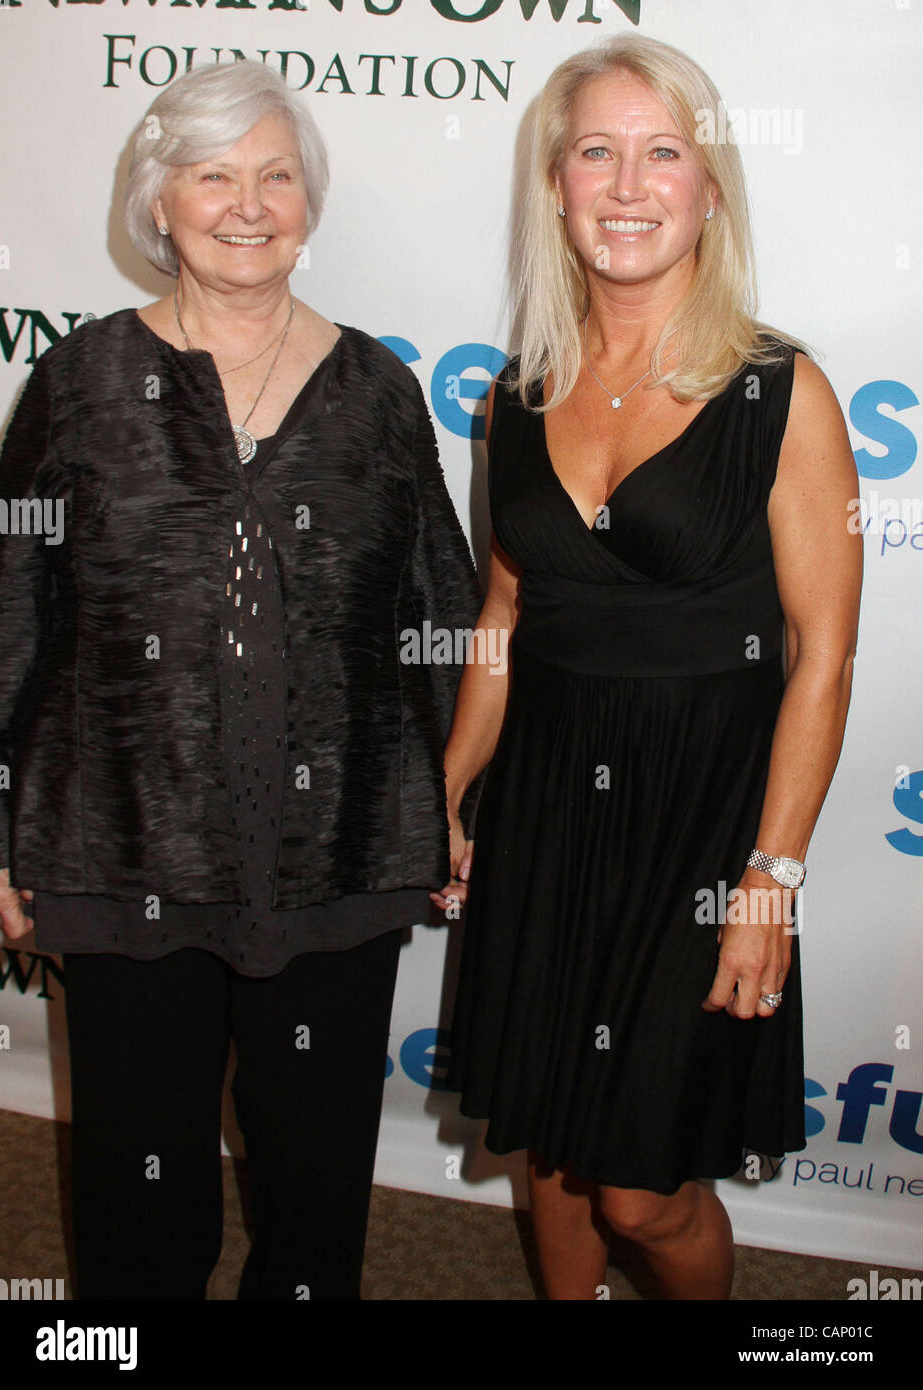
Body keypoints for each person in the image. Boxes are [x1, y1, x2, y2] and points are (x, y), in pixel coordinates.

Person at [0, 59, 482, 1301]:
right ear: (159, 203)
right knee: (136, 1193)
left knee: (314, 1195)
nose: (246, 204)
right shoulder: (78, 385)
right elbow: (9, 619)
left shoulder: (377, 391)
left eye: (275, 176)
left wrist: (459, 800)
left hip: (340, 851)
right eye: (213, 175)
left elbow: (442, 616)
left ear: (308, 205)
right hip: (124, 848)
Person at [434, 34, 862, 1300]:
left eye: (662, 152)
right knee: (555, 1152)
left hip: (699, 829)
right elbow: (504, 616)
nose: (628, 185)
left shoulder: (783, 393)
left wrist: (769, 877)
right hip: (547, 812)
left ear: (711, 188)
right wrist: (454, 786)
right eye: (597, 153)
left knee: (641, 1185)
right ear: (556, 188)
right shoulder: (513, 395)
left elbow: (823, 655)